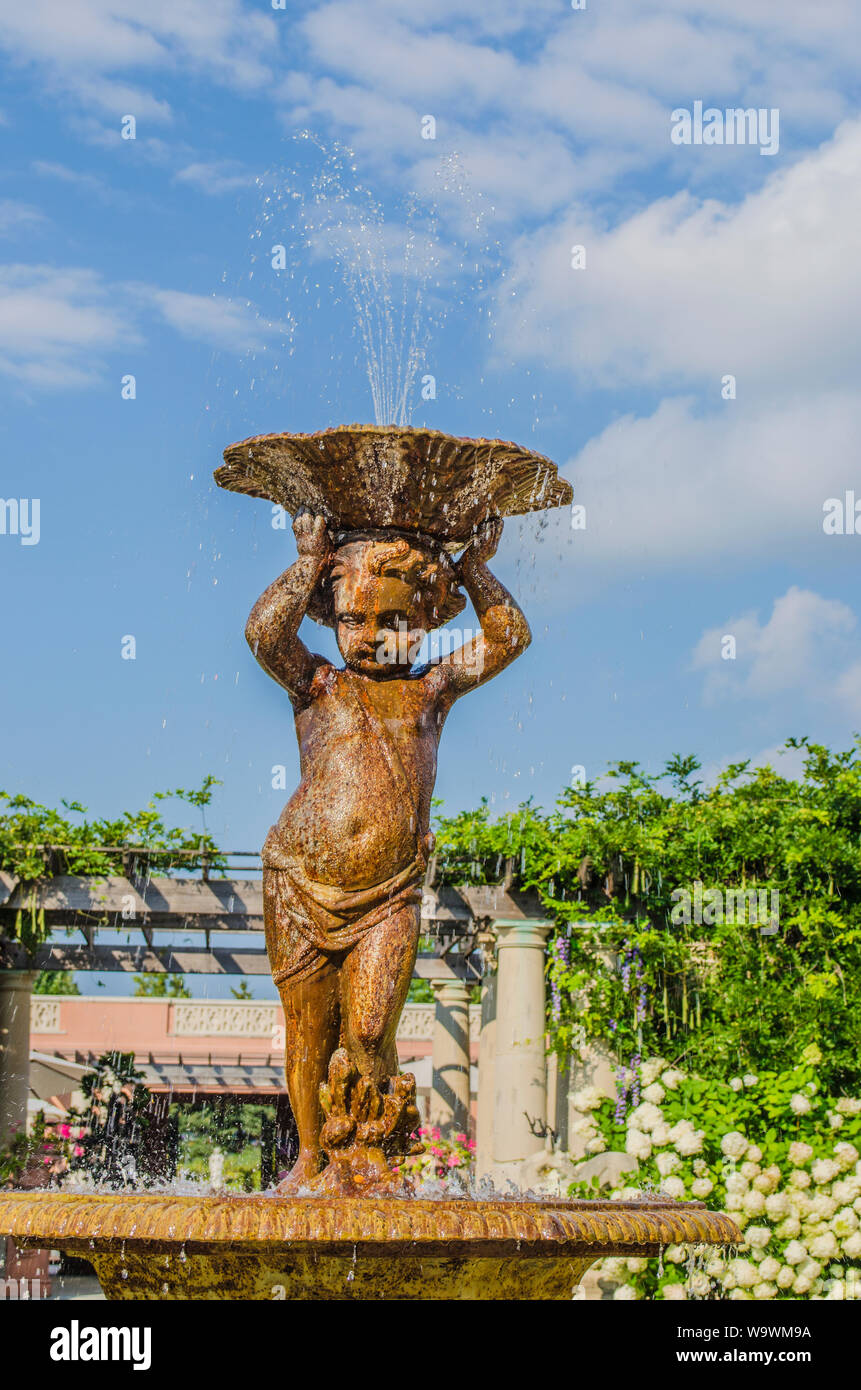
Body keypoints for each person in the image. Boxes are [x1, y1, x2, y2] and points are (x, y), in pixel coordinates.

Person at [246, 509, 530, 1189]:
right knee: (309, 1036)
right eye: (352, 620)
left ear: (428, 620)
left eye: (392, 622)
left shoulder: (430, 690)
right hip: (298, 881)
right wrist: (308, 561)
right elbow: (263, 633)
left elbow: (508, 636)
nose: (369, 637)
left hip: (388, 894)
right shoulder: (317, 683)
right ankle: (313, 1159)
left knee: (370, 1030)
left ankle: (371, 1149)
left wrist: (474, 570)